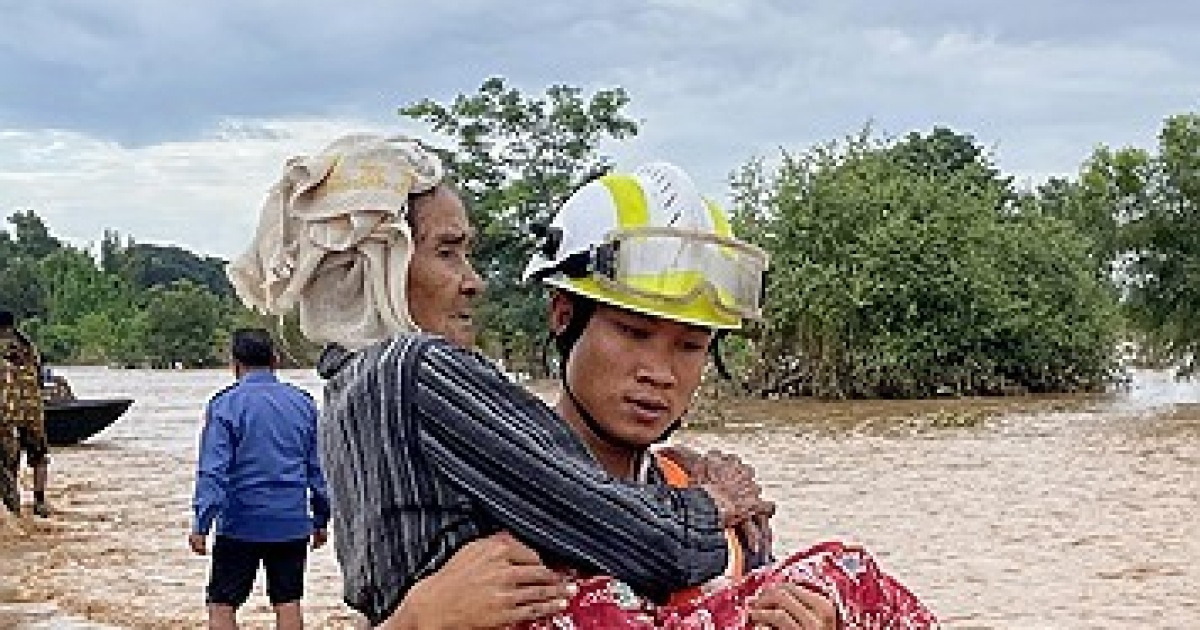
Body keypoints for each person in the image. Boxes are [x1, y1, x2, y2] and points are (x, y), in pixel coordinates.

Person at [227, 135, 774, 628]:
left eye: (690, 345)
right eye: (447, 252)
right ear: (379, 262)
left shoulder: (354, 392)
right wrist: (713, 503)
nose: (473, 282)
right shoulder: (414, 369)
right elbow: (655, 542)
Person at [189, 328, 331, 630]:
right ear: (275, 360)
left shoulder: (225, 405)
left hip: (240, 524)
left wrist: (201, 524)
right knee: (288, 602)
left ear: (235, 364)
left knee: (222, 604)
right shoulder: (303, 403)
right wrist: (320, 520)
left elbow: (213, 471)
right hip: (291, 522)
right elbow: (319, 470)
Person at [0, 309, 51, 518]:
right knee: (39, 456)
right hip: (33, 411)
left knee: (8, 461)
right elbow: (40, 378)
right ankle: (39, 503)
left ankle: (13, 509)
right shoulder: (29, 346)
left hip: (6, 411)